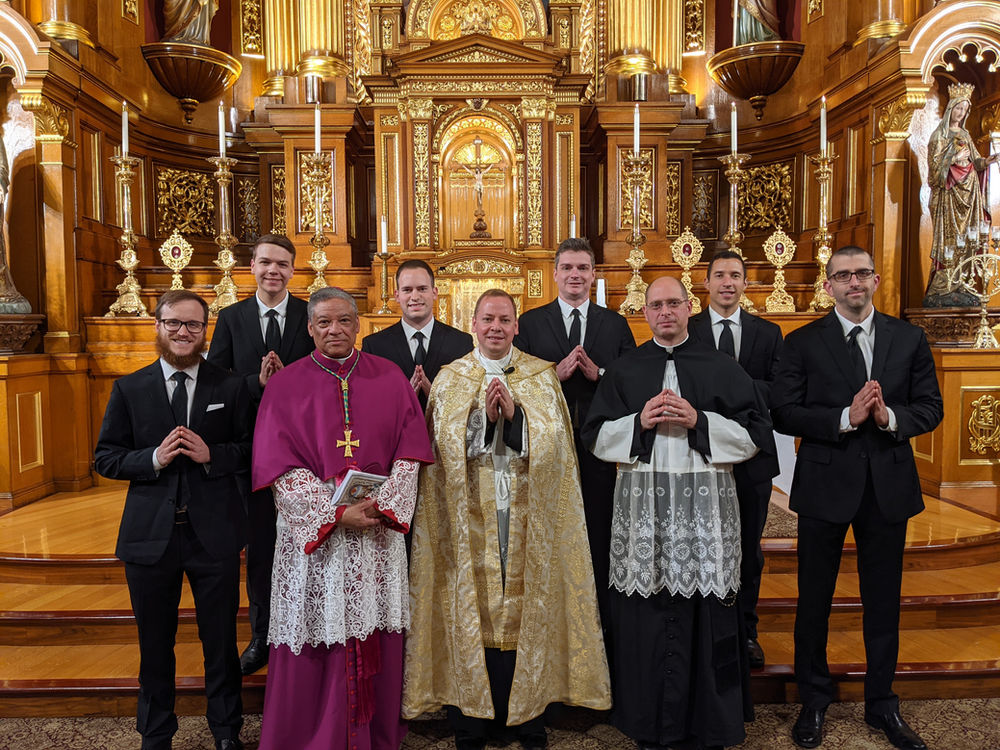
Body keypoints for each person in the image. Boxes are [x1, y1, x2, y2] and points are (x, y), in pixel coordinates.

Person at [403, 289, 610, 750]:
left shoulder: (539, 376)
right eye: (487, 319)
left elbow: (558, 446)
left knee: (522, 607)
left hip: (525, 514)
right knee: (473, 604)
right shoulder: (451, 378)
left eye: (504, 320)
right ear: (473, 324)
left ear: (517, 326)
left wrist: (516, 421)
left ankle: (529, 719)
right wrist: (479, 419)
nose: (496, 327)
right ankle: (470, 721)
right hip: (467, 517)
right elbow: (437, 447)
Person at [581, 276, 772, 750]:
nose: (665, 312)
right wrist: (639, 423)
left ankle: (709, 724)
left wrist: (700, 421)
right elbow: (595, 437)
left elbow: (755, 436)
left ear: (690, 308)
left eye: (673, 303)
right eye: (656, 306)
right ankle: (648, 721)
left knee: (706, 615)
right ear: (644, 314)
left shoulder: (722, 366)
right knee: (646, 615)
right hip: (644, 508)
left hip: (704, 511)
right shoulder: (626, 370)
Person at [771, 246, 943, 750]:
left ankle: (881, 703)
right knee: (814, 601)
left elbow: (930, 407)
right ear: (829, 286)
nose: (854, 283)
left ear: (876, 278)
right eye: (843, 275)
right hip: (826, 486)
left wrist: (891, 419)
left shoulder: (908, 337)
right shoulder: (802, 342)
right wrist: (845, 417)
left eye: (862, 273)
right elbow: (784, 411)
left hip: (888, 487)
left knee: (883, 601)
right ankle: (814, 699)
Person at [252, 286, 434, 750]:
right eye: (324, 323)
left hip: (376, 533)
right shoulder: (285, 384)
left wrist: (380, 506)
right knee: (317, 632)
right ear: (310, 328)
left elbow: (410, 453)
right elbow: (278, 465)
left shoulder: (389, 376)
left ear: (358, 325)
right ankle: (312, 737)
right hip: (316, 541)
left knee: (372, 626)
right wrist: (335, 514)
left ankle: (372, 734)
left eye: (344, 322)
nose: (335, 330)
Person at [94, 290, 249, 750]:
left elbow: (251, 450)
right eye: (173, 324)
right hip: (149, 538)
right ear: (158, 327)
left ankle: (226, 731)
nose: (183, 333)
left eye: (193, 325)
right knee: (154, 643)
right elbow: (105, 458)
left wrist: (212, 455)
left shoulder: (231, 386)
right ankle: (156, 733)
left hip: (213, 535)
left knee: (220, 642)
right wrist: (153, 459)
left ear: (206, 331)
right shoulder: (129, 387)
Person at [514, 237, 635, 627]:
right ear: (555, 273)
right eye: (567, 268)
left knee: (598, 525)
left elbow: (631, 381)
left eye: (583, 268)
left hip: (598, 445)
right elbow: (515, 378)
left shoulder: (614, 324)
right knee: (549, 523)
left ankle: (596, 611)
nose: (575, 275)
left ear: (593, 274)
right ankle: (549, 609)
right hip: (547, 444)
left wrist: (597, 373)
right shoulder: (531, 322)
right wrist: (554, 374)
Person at [208, 233, 314, 676]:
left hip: (304, 447)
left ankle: (305, 632)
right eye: (266, 263)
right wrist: (257, 384)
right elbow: (215, 381)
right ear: (251, 266)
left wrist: (290, 382)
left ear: (293, 270)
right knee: (262, 546)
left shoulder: (311, 314)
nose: (274, 270)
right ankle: (262, 636)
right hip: (251, 449)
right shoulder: (231, 317)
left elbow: (329, 371)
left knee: (308, 540)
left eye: (283, 264)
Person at [689, 249, 782, 670]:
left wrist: (730, 388)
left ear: (746, 284)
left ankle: (746, 631)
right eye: (720, 275)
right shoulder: (687, 330)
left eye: (736, 276)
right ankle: (704, 629)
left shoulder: (769, 334)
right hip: (698, 456)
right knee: (699, 544)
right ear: (705, 283)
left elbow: (779, 393)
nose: (728, 283)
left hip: (753, 461)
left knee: (748, 550)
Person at [361, 258, 473, 410]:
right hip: (396, 432)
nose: (414, 296)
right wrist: (405, 397)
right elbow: (369, 401)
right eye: (407, 290)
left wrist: (433, 395)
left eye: (422, 289)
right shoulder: (375, 346)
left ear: (434, 293)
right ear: (397, 295)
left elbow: (468, 401)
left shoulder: (461, 343)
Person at [924, 82, 999, 306]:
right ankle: (943, 286)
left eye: (965, 110)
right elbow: (934, 172)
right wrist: (953, 160)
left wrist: (987, 161)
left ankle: (960, 283)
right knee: (949, 237)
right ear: (951, 108)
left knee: (968, 239)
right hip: (949, 195)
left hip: (969, 192)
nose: (961, 113)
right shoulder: (939, 135)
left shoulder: (965, 134)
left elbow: (975, 160)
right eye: (958, 108)